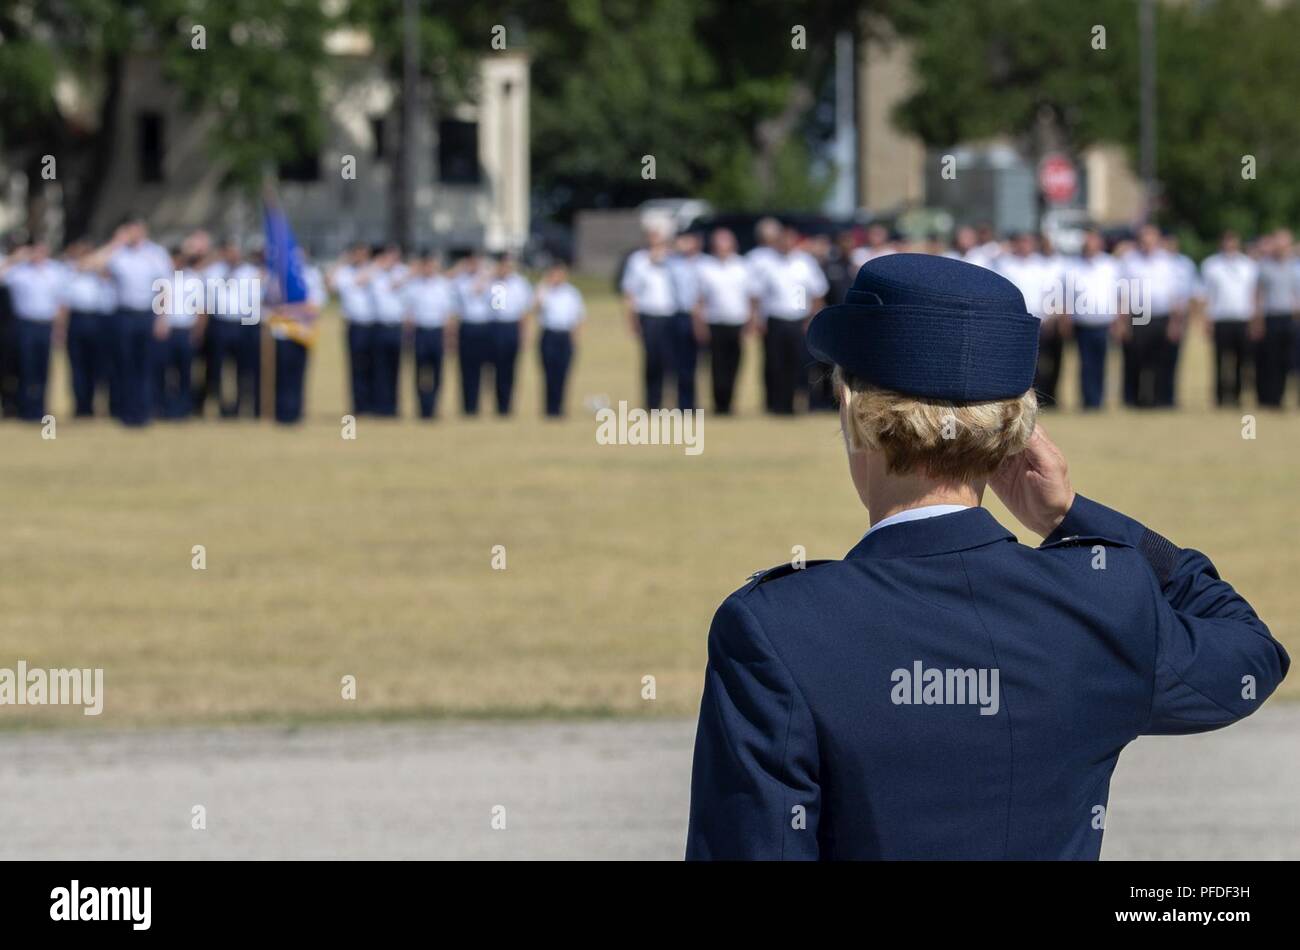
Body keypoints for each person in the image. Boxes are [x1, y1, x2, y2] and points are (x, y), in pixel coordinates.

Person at [685, 253, 1289, 860]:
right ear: (1015, 430)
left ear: (853, 413)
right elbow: (1249, 654)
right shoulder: (1101, 600)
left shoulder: (777, 627)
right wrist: (1071, 515)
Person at [88, 218, 171, 426]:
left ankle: (143, 412)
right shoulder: (118, 253)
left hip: (146, 314)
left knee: (144, 365)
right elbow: (91, 264)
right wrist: (116, 242)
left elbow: (164, 288)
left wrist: (162, 318)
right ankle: (125, 412)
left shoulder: (156, 254)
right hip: (123, 315)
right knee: (124, 364)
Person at [750, 226, 827, 415]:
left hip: (798, 320)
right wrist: (757, 318)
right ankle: (776, 405)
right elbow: (757, 294)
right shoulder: (767, 264)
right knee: (775, 364)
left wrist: (811, 318)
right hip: (775, 320)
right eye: (782, 240)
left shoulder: (805, 263)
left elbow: (817, 293)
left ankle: (796, 403)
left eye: (789, 240)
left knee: (798, 364)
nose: (785, 244)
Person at [1118, 225, 1185, 408]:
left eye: (1150, 239)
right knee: (1134, 360)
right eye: (1143, 239)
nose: (1147, 243)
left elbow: (1176, 295)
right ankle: (1133, 400)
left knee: (1161, 362)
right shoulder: (1129, 261)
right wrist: (1122, 322)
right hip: (1138, 316)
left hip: (1162, 316)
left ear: (1157, 240)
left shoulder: (1168, 262)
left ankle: (1163, 400)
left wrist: (1175, 323)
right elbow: (1123, 294)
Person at [0, 241, 66, 421]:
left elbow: (61, 301)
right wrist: (15, 259)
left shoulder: (55, 271)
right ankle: (25, 408)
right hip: (25, 325)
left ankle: (40, 408)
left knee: (43, 368)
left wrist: (59, 328)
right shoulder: (19, 271)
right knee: (26, 367)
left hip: (46, 325)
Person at [995, 233, 1063, 407]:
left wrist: (1051, 316)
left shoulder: (1042, 266)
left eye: (1028, 242)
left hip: (1041, 322)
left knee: (1043, 364)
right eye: (1021, 242)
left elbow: (1051, 293)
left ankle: (1045, 399)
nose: (1025, 246)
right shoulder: (1005, 265)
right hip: (1016, 324)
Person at [694, 228, 753, 415]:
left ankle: (730, 403)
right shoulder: (705, 268)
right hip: (715, 322)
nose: (722, 248)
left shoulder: (742, 267)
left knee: (735, 364)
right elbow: (699, 299)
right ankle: (719, 405)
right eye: (719, 244)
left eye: (726, 243)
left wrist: (751, 321)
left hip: (736, 322)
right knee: (716, 366)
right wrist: (700, 325)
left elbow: (750, 297)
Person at [621, 226, 678, 409]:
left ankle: (675, 402)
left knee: (672, 361)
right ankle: (652, 403)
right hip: (649, 315)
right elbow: (630, 293)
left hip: (671, 315)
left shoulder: (674, 260)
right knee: (652, 361)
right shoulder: (638, 261)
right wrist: (632, 321)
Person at [1200, 230, 1259, 407]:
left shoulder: (1249, 266)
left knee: (1242, 361)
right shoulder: (1211, 265)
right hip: (1220, 318)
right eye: (1226, 242)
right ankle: (1220, 397)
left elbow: (1254, 294)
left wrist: (1255, 319)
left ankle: (1237, 395)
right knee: (1220, 360)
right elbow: (1205, 295)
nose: (1229, 246)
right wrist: (1206, 319)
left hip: (1242, 318)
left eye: (1232, 242)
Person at [1063, 230, 1119, 410]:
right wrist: (1065, 320)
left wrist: (1121, 321)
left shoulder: (1111, 266)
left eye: (1093, 243)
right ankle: (1088, 400)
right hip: (1082, 324)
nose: (1089, 247)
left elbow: (1119, 295)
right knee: (1085, 364)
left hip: (1104, 323)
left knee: (1102, 363)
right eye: (1087, 244)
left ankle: (1099, 400)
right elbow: (1066, 296)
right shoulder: (1072, 267)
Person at [402, 251, 454, 420]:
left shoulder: (443, 285)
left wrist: (449, 338)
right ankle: (422, 408)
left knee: (437, 373)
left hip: (437, 331)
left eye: (431, 265)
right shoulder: (413, 286)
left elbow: (447, 315)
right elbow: (408, 314)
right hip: (420, 332)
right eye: (426, 265)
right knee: (420, 372)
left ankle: (433, 407)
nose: (428, 268)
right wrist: (408, 337)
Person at [152, 247, 201, 419]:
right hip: (166, 331)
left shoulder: (194, 279)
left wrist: (197, 332)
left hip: (185, 330)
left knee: (185, 372)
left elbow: (201, 308)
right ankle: (163, 406)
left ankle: (183, 408)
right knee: (163, 371)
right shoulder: (162, 278)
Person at [329, 243, 376, 416]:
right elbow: (330, 284)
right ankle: (359, 405)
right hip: (355, 325)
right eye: (357, 254)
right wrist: (341, 262)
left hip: (373, 324)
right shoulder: (345, 272)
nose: (360, 258)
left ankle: (375, 404)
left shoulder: (375, 270)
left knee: (375, 366)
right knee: (356, 366)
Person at [534, 261, 585, 417]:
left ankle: (560, 409)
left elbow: (579, 317)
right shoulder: (544, 291)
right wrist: (544, 284)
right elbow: (535, 307)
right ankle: (549, 409)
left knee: (563, 374)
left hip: (565, 335)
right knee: (549, 373)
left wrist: (575, 339)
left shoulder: (572, 293)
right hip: (549, 334)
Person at [1253, 229, 1296, 408]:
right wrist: (1258, 320)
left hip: (1291, 318)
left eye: (1284, 244)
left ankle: (1288, 398)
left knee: (1290, 361)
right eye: (1278, 243)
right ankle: (1271, 400)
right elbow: (1259, 295)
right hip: (1271, 318)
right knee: (1271, 361)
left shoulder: (1295, 267)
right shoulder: (1265, 267)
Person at [487, 253, 532, 416]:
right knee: (494, 368)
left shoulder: (520, 283)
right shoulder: (490, 282)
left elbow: (524, 311)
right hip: (494, 326)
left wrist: (524, 333)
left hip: (511, 326)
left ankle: (506, 406)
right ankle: (495, 404)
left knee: (510, 368)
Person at [451, 250, 495, 415]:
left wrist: (487, 282)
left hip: (486, 327)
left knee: (488, 369)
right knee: (467, 369)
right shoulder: (460, 282)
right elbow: (455, 306)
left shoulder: (493, 282)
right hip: (468, 327)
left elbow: (500, 306)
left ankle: (492, 406)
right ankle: (469, 407)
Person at [368, 245, 407, 417]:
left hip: (396, 326)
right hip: (379, 326)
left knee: (395, 368)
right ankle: (379, 405)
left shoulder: (403, 272)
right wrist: (378, 265)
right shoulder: (375, 274)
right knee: (379, 368)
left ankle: (393, 407)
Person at [667, 232, 703, 412]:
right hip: (681, 316)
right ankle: (684, 404)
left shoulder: (705, 263)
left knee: (702, 363)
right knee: (682, 363)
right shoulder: (672, 263)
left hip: (703, 317)